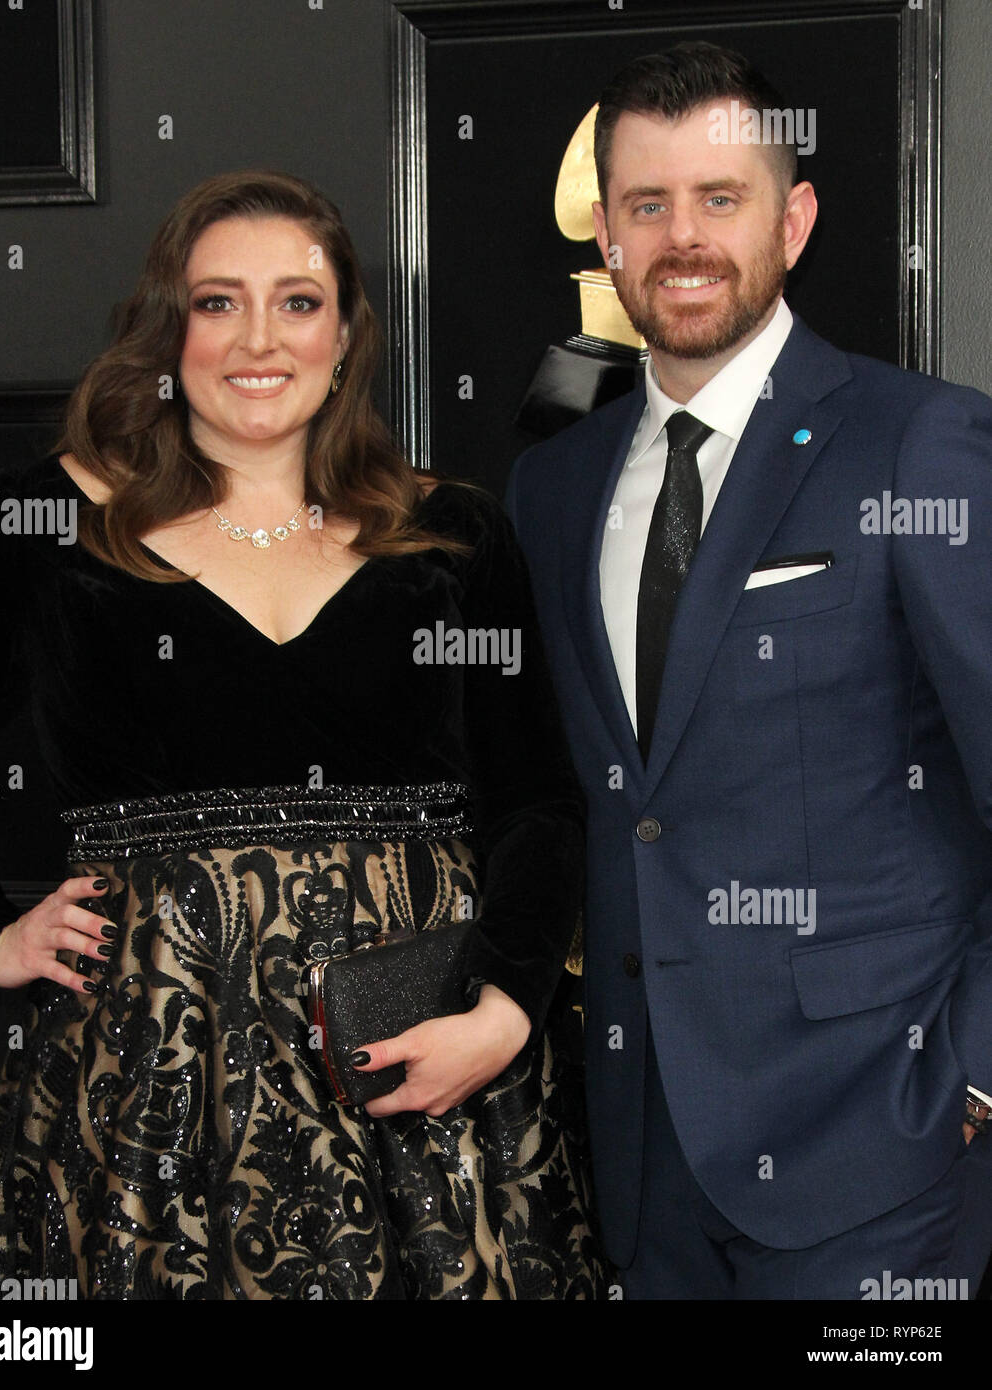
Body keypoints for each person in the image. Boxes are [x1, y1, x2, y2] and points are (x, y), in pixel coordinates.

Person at [0, 170, 606, 1300]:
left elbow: (537, 797)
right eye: (218, 302)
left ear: (346, 334)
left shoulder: (450, 535)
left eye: (298, 302)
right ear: (170, 326)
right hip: (150, 1081)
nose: (260, 338)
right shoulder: (51, 525)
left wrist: (503, 1010)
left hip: (423, 1073)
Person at [506, 40, 992, 1299]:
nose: (683, 238)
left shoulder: (918, 443)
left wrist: (974, 1071)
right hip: (640, 1150)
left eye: (721, 198)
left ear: (796, 217)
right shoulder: (554, 484)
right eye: (647, 204)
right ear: (605, 237)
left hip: (873, 1148)